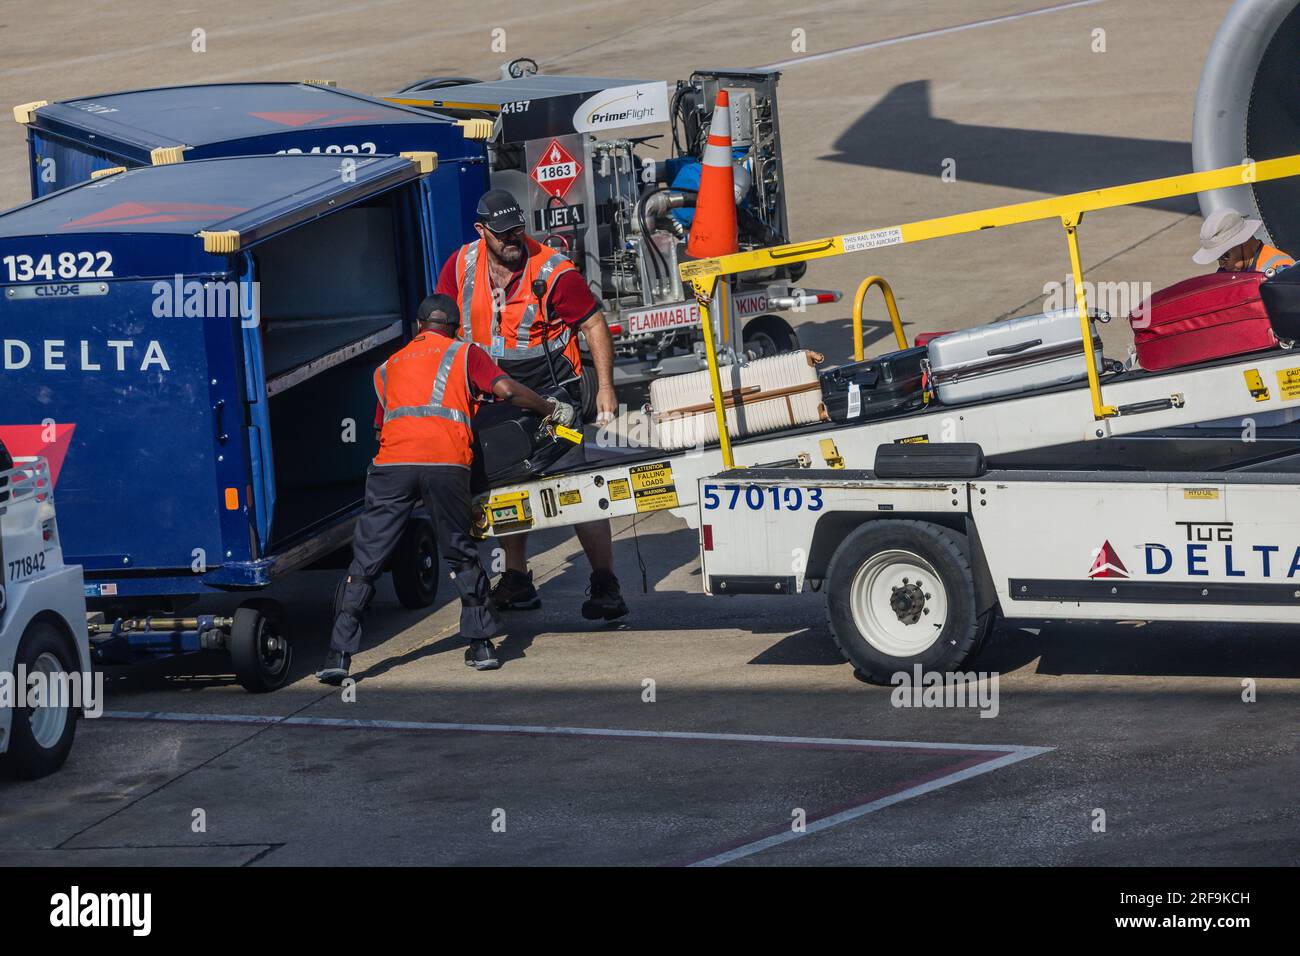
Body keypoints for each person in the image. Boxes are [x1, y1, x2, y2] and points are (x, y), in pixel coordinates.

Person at [317, 294, 575, 684]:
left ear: (419, 327)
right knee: (459, 552)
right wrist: (549, 409)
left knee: (367, 560)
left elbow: (380, 426)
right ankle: (483, 646)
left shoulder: (387, 367)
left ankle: (339, 656)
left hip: (392, 466)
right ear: (455, 328)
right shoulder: (465, 353)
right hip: (446, 464)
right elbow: (506, 391)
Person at [438, 188, 628, 621]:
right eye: (503, 234)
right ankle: (518, 579)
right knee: (507, 486)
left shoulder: (554, 272)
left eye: (518, 231)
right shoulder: (462, 265)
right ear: (481, 231)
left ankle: (605, 583)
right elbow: (444, 326)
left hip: (553, 398)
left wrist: (606, 389)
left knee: (576, 484)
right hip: (495, 397)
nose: (512, 241)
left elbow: (594, 323)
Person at [1194, 207, 1294, 276]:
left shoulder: (1281, 270)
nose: (1221, 264)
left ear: (1243, 241)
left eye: (1224, 256)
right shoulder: (1226, 273)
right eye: (1218, 258)